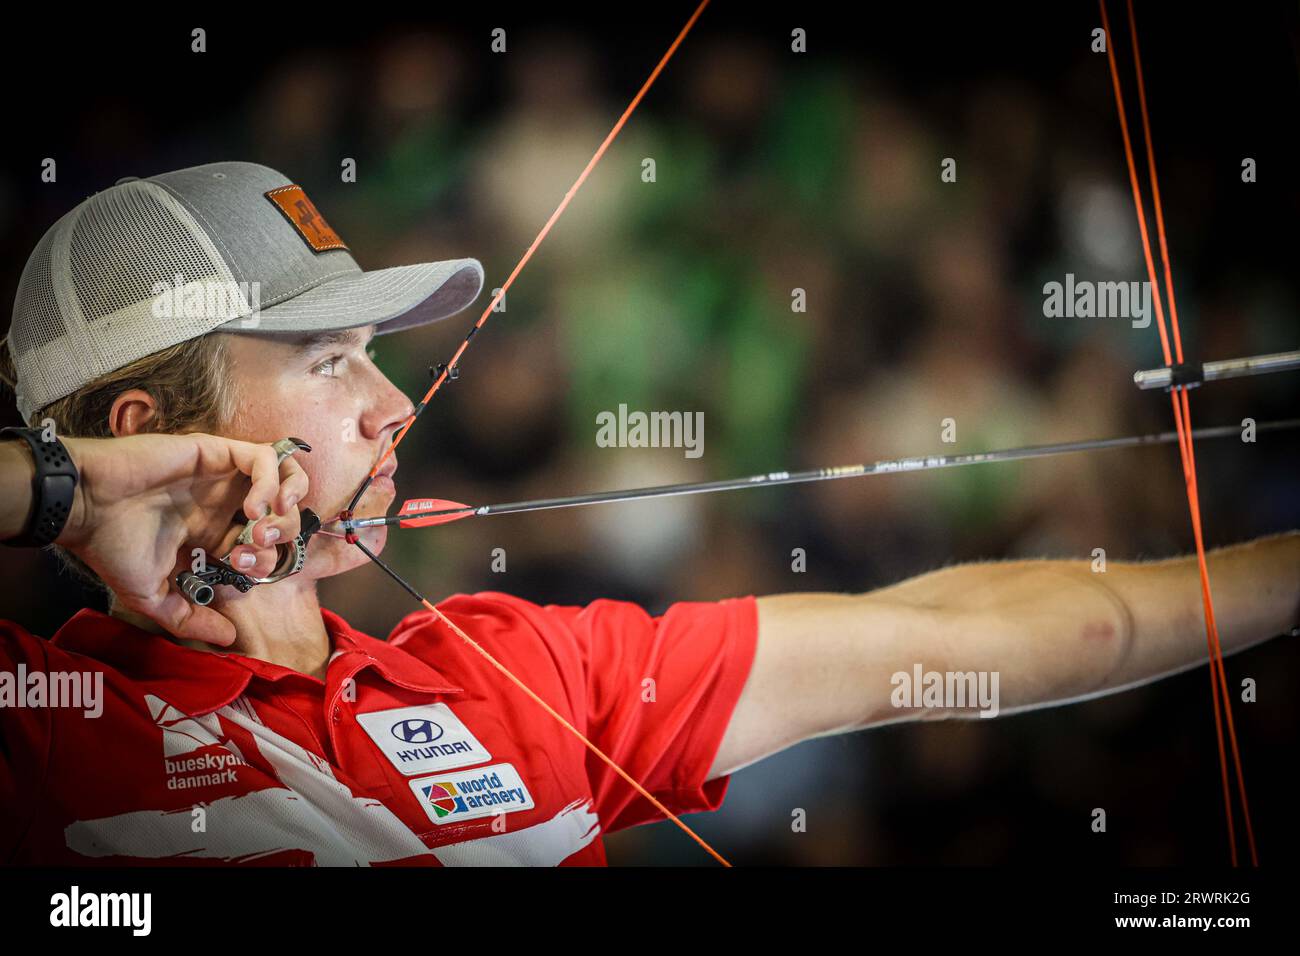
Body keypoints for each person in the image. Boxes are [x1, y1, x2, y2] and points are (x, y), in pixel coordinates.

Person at [0, 163, 1295, 866]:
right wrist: (64, 491)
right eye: (333, 364)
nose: (395, 408)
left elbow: (967, 636)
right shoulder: (47, 731)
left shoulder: (517, 672)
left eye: (375, 361)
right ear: (148, 436)